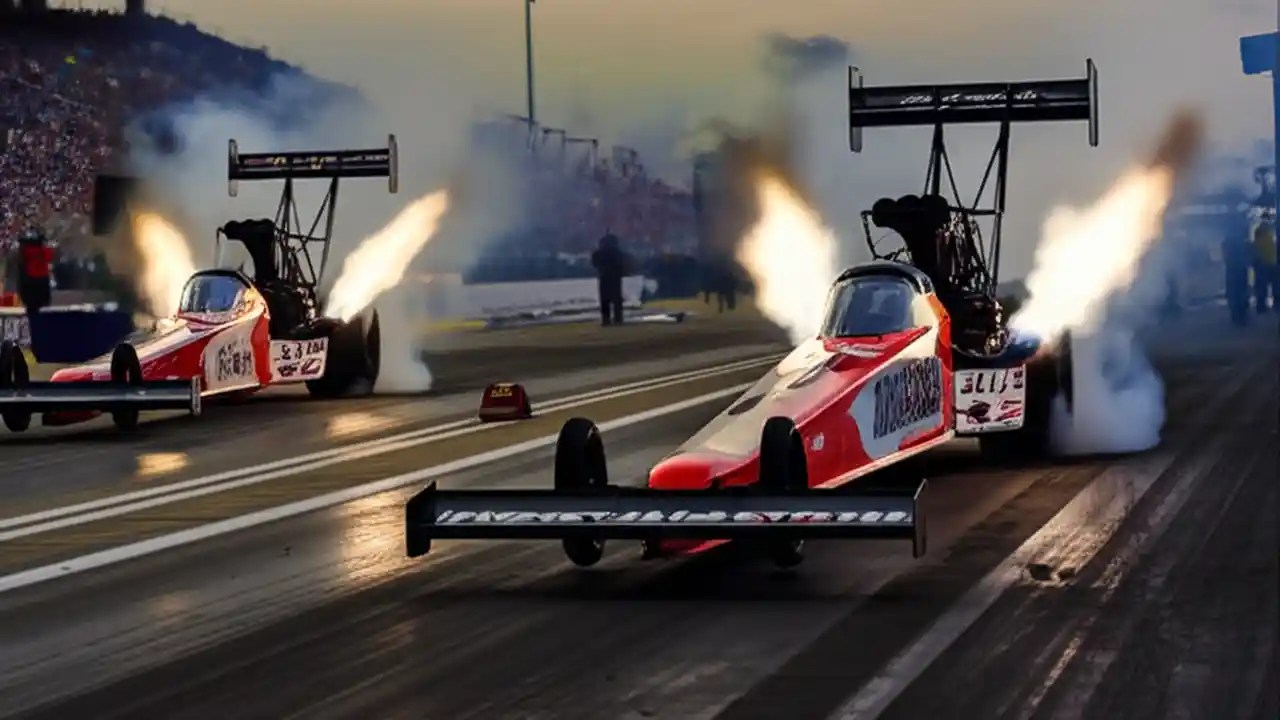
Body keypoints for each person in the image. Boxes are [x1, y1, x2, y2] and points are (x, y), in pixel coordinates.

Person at [1223, 209, 1252, 326]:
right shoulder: (1241, 233)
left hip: (1233, 265)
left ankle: (1237, 313)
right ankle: (1241, 313)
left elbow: (1225, 249)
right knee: (1240, 288)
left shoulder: (1229, 236)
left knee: (1234, 289)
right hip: (1239, 264)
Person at [591, 230, 627, 325]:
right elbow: (622, 263)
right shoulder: (617, 252)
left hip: (604, 277)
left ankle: (606, 319)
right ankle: (618, 318)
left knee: (604, 300)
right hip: (615, 278)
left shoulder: (599, 253)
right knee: (616, 300)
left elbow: (594, 262)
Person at [17, 227, 53, 316]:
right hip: (41, 279)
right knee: (43, 308)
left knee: (32, 308)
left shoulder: (24, 251)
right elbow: (50, 256)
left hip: (30, 280)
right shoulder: (43, 251)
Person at [1251, 219, 1276, 313]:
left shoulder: (1260, 239)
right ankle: (1263, 306)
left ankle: (1261, 307)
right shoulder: (1269, 237)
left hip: (1263, 264)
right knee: (1265, 287)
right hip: (1268, 264)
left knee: (1261, 287)